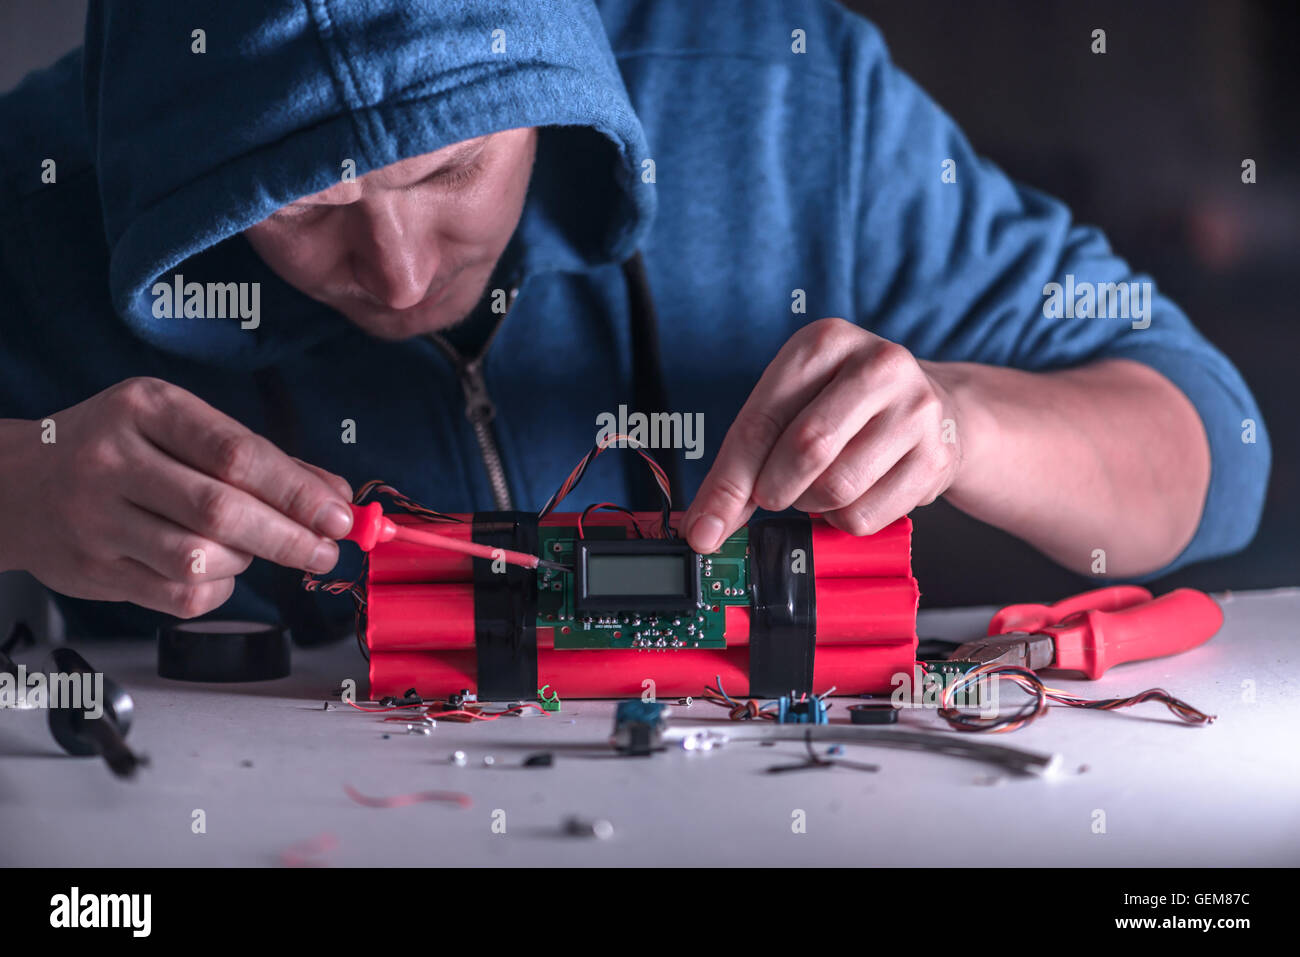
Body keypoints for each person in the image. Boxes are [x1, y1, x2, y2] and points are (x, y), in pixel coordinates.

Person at [0, 0, 1269, 638]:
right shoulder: (35, 173)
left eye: (449, 173)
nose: (390, 273)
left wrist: (968, 422)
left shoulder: (785, 96)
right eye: (296, 206)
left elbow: (1216, 458)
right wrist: (12, 487)